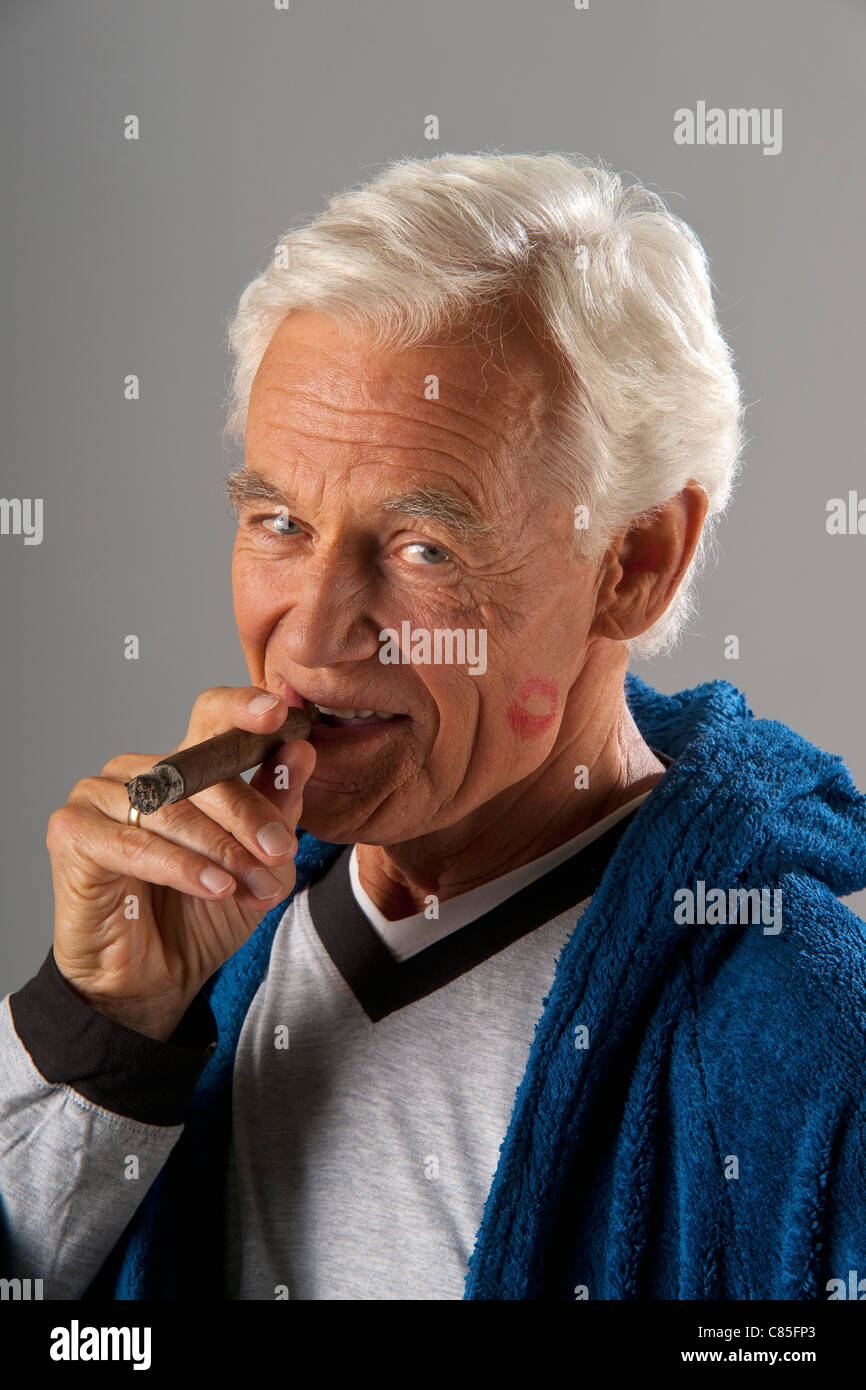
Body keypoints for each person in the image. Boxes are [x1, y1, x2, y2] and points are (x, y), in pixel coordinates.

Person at [2, 152, 864, 1301]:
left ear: (635, 564)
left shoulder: (803, 1040)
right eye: (279, 521)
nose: (311, 635)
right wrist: (102, 1035)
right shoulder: (197, 952)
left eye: (423, 549)